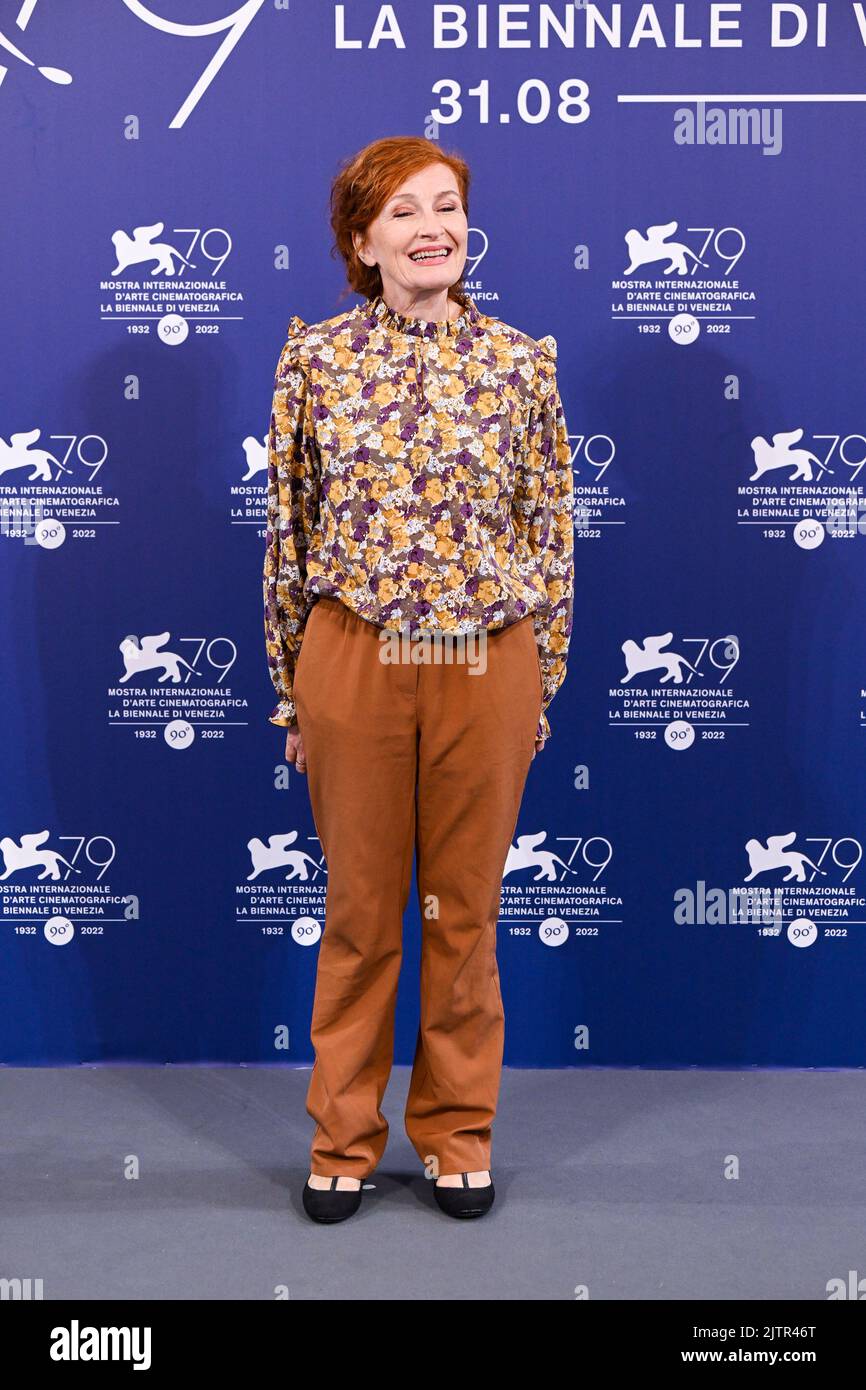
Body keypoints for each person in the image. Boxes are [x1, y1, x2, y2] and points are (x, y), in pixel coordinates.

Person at [263, 136, 574, 1223]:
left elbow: (549, 529)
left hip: (484, 660)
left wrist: (543, 677)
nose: (429, 224)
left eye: (445, 205)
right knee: (358, 910)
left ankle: (455, 1132)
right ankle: (343, 1137)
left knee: (464, 910)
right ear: (362, 239)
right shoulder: (316, 361)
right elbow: (289, 532)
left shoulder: (521, 362)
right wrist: (288, 687)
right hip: (354, 657)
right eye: (401, 210)